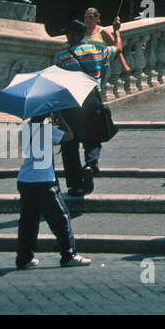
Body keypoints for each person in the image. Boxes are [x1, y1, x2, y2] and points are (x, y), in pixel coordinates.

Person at [15, 112, 89, 269]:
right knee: (61, 218)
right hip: (43, 180)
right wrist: (61, 120)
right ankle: (69, 254)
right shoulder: (48, 130)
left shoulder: (24, 130)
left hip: (25, 179)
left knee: (29, 221)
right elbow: (69, 136)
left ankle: (24, 257)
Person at [53, 19, 119, 196]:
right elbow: (117, 49)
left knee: (70, 143)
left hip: (71, 101)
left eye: (67, 33)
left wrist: (56, 112)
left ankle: (76, 184)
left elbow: (58, 85)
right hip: (92, 98)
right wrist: (117, 31)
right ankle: (91, 164)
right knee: (93, 136)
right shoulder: (98, 51)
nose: (66, 36)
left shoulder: (62, 57)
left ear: (73, 35)